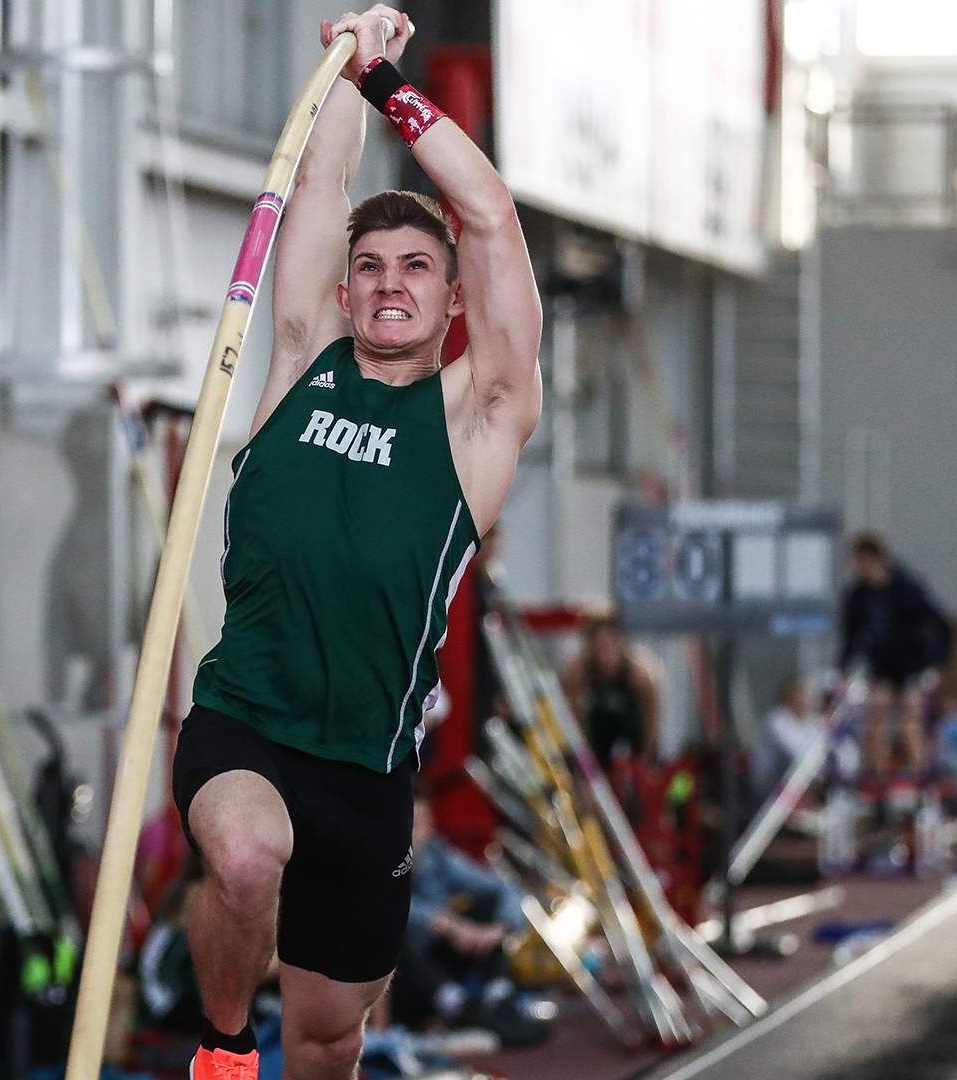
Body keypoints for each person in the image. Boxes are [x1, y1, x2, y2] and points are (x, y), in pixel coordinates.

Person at [172, 9, 543, 1079]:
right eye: (370, 266)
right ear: (342, 291)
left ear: (452, 297)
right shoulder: (301, 361)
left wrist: (387, 80)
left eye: (416, 267)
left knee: (331, 1037)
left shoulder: (482, 419)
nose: (388, 281)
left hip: (369, 774)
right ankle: (224, 1051)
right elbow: (320, 189)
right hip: (247, 720)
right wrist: (341, 64)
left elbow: (492, 215)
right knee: (243, 860)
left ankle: (283, 1054)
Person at [391, 796, 542, 1048]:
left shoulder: (438, 855)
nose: (410, 833)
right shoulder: (379, 860)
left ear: (429, 826)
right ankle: (458, 1008)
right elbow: (393, 909)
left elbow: (506, 889)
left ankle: (497, 996)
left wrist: (497, 930)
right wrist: (451, 926)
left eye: (416, 824)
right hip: (402, 979)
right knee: (396, 937)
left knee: (486, 906)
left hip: (440, 957)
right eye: (404, 823)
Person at [837, 533, 954, 781]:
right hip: (883, 670)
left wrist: (937, 662)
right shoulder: (858, 596)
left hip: (911, 667)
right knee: (874, 723)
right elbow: (851, 638)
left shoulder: (906, 588)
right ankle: (879, 782)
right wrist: (843, 672)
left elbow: (943, 623)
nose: (858, 569)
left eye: (861, 562)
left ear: (874, 560)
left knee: (910, 725)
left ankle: (919, 782)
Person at [560, 616, 659, 767]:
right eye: (599, 646)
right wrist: (587, 764)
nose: (605, 654)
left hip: (634, 743)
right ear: (590, 646)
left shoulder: (640, 675)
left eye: (611, 644)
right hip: (596, 744)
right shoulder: (579, 672)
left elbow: (652, 728)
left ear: (621, 643)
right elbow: (571, 720)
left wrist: (643, 766)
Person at [749, 677, 861, 800]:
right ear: (790, 698)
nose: (808, 700)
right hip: (768, 791)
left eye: (808, 695)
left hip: (797, 788)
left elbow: (844, 753)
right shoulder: (776, 720)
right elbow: (800, 755)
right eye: (801, 695)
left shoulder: (810, 721)